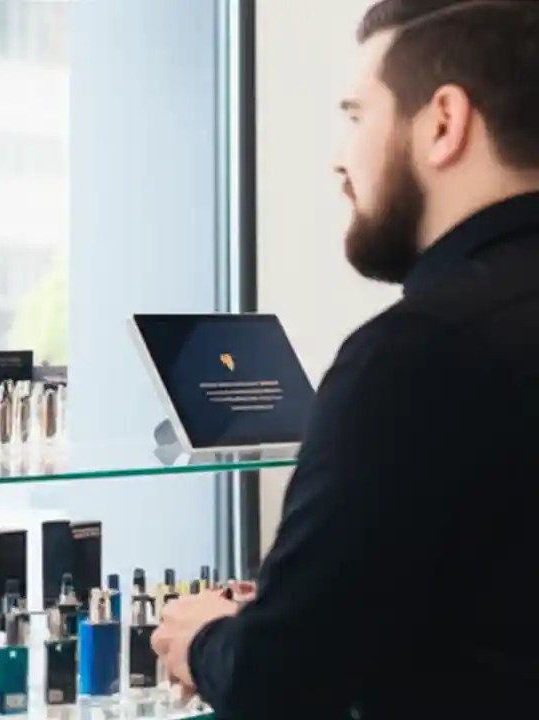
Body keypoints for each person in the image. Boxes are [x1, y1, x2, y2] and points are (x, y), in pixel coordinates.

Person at [151, 1, 539, 718]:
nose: (339, 155)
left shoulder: (415, 355)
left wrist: (203, 636)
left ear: (444, 123)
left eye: (357, 115)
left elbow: (283, 681)